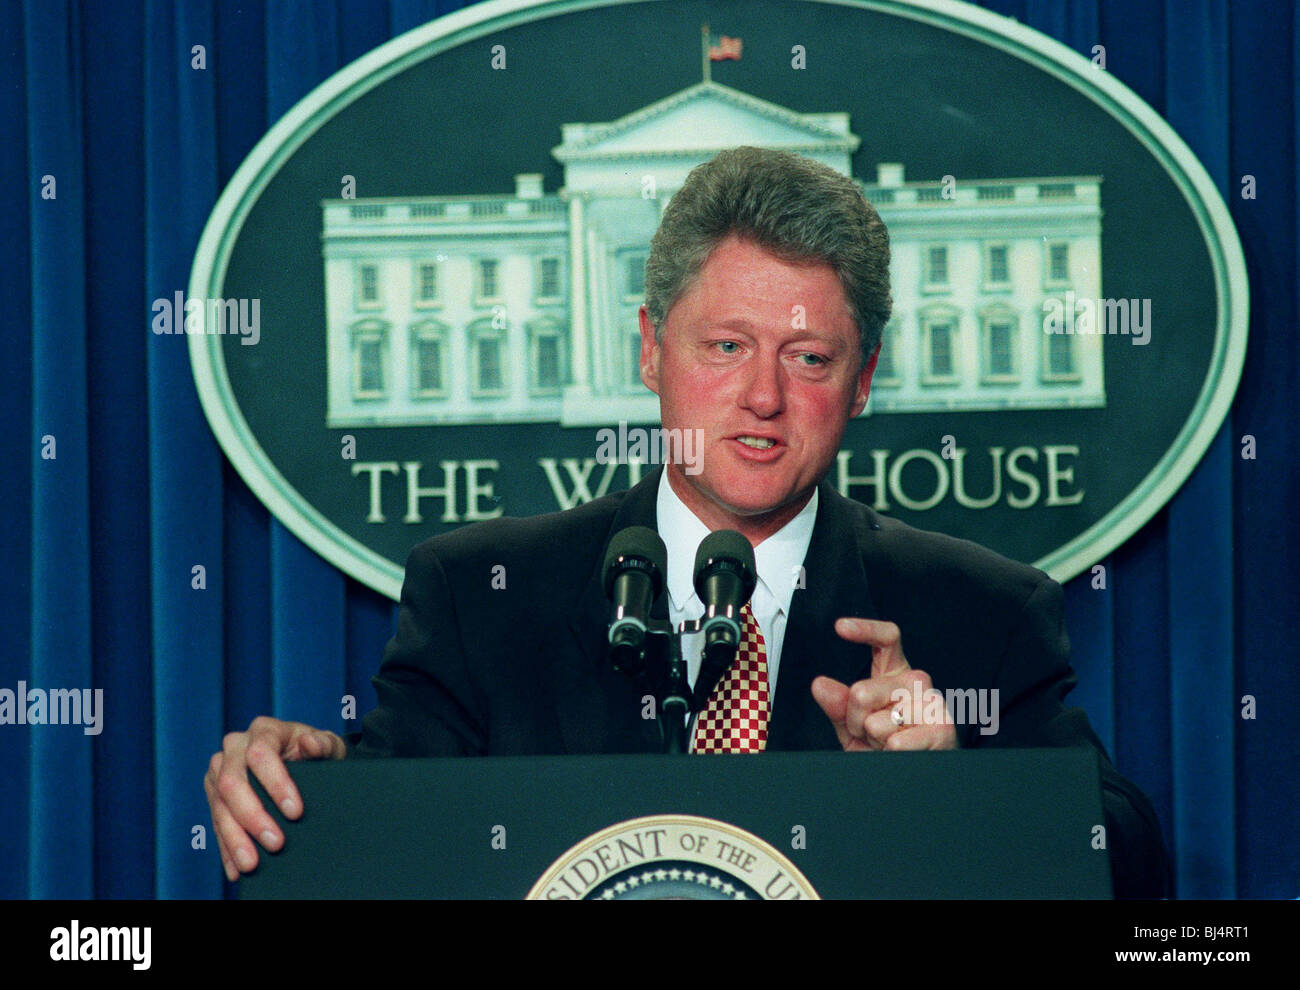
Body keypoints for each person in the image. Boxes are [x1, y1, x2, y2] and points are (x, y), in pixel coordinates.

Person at [205, 146, 1169, 897]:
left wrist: (958, 786)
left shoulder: (974, 610)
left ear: (865, 380)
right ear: (650, 349)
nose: (761, 396)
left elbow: (1128, 865)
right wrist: (312, 798)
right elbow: (391, 851)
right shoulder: (482, 598)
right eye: (726, 345)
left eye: (809, 358)